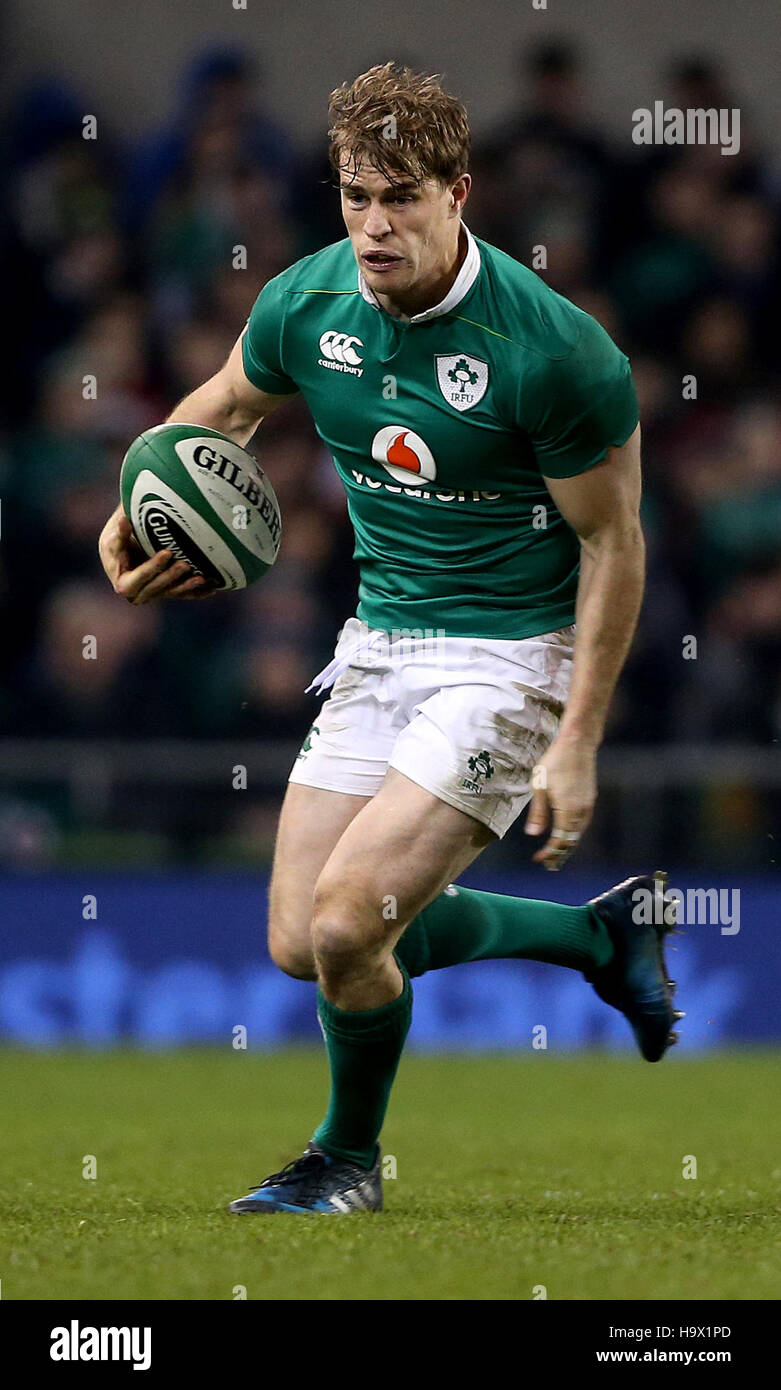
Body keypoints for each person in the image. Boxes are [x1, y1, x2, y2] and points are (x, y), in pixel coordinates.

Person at [99, 62, 683, 1216]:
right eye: (356, 195)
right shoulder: (305, 302)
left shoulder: (554, 352)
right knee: (298, 939)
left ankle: (345, 1160)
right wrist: (131, 507)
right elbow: (213, 410)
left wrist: (577, 738)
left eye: (401, 197)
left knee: (346, 920)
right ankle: (603, 939)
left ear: (458, 193)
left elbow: (616, 546)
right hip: (381, 642)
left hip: (512, 657)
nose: (374, 224)